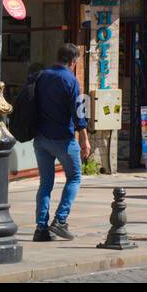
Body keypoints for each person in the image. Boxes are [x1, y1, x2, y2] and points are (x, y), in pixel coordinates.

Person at [32, 42, 90, 242]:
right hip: (63, 140)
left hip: (40, 139)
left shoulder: (42, 76)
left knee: (45, 183)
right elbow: (79, 113)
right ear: (73, 62)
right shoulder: (71, 80)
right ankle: (60, 220)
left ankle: (41, 229)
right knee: (74, 178)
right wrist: (84, 139)